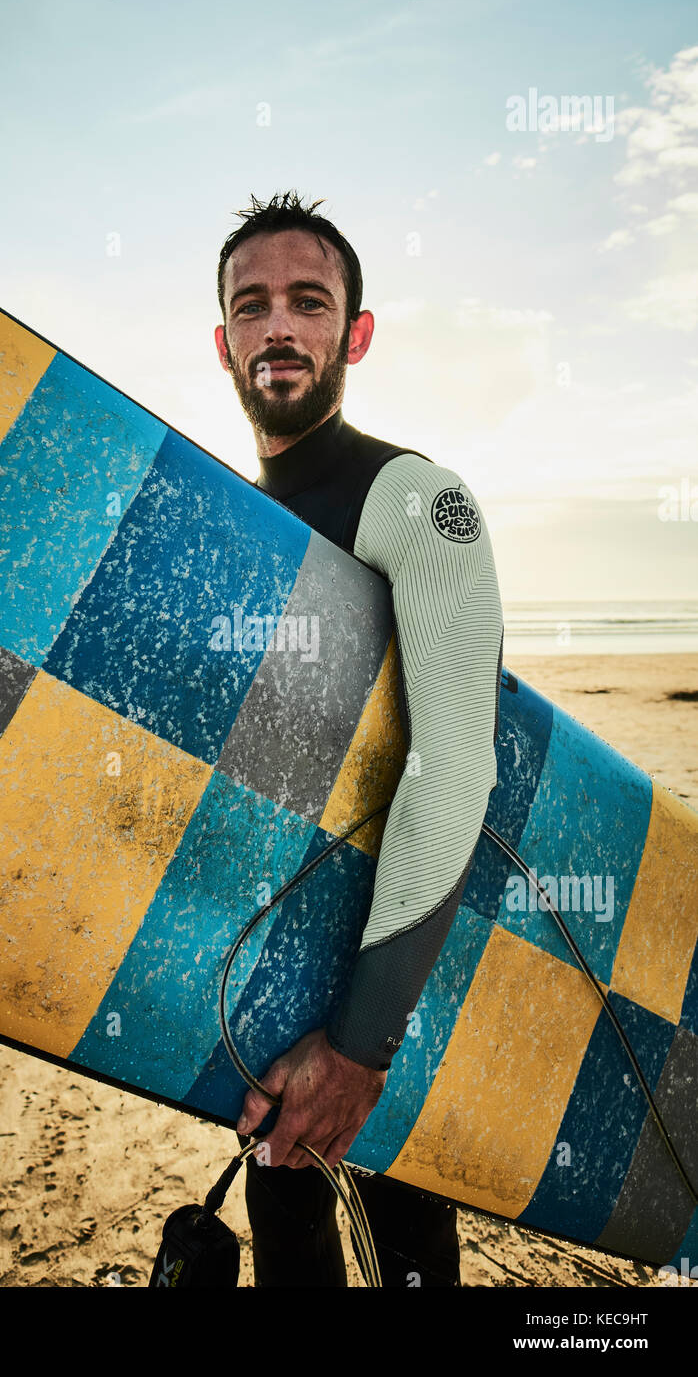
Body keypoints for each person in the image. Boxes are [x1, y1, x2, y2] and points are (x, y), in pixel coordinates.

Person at [213, 192, 504, 1287]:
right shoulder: (232, 526)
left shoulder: (413, 499)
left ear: (355, 333)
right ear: (224, 339)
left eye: (307, 301)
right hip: (269, 995)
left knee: (409, 1249)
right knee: (283, 1242)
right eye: (253, 305)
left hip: (390, 993)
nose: (277, 326)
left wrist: (361, 1045)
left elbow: (454, 760)